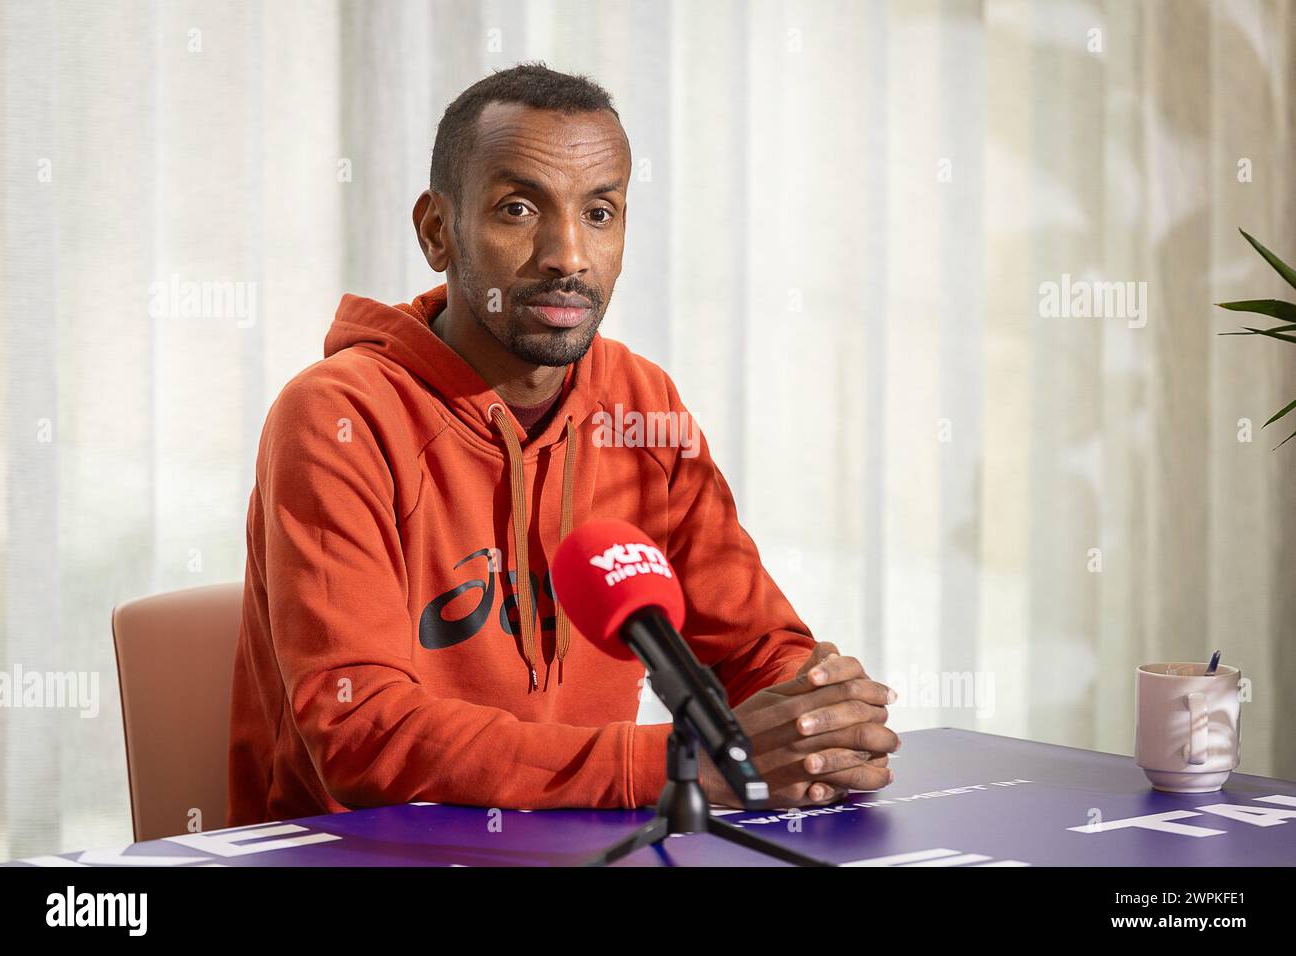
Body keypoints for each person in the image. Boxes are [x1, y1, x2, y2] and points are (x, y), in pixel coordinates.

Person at [226, 62, 899, 826]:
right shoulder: (337, 418)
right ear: (437, 231)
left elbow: (755, 649)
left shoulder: (642, 405)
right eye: (518, 208)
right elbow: (361, 733)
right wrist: (675, 763)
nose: (569, 255)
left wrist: (819, 723)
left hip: (588, 840)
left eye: (601, 213)